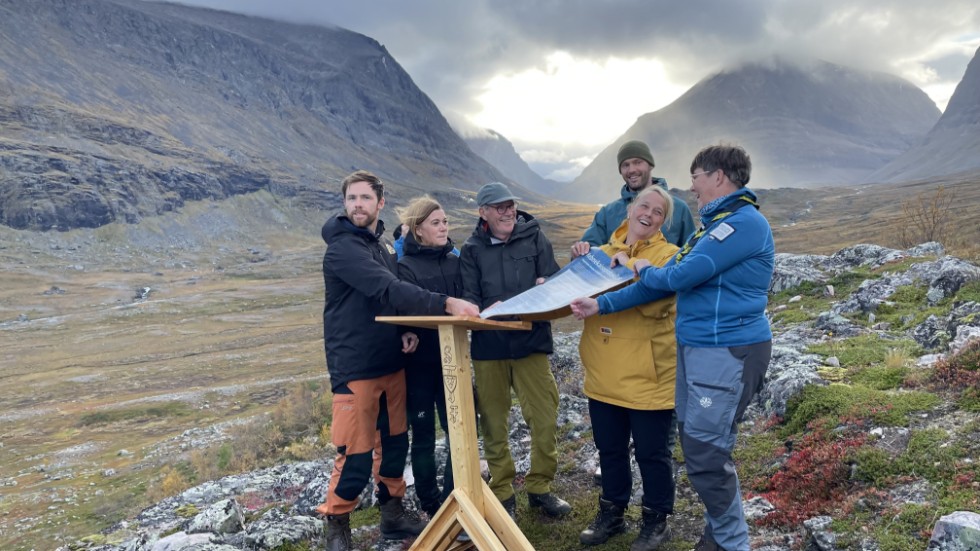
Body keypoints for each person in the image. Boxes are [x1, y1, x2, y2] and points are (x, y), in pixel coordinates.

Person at [571, 145, 775, 551]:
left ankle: (732, 543)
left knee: (704, 453)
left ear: (718, 176)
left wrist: (642, 267)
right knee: (707, 446)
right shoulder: (714, 224)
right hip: (702, 349)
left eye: (696, 176)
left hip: (726, 349)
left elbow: (677, 276)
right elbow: (662, 278)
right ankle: (718, 536)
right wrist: (603, 301)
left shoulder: (741, 224)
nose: (692, 186)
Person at [316, 170, 479, 551]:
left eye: (365, 198)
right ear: (345, 204)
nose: (358, 204)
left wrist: (403, 330)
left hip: (391, 362)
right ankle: (337, 522)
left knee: (393, 445)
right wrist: (444, 303)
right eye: (352, 198)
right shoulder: (343, 248)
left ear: (380, 203)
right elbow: (385, 287)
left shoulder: (382, 247)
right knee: (354, 452)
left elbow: (390, 301)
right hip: (355, 367)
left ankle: (392, 515)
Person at [570, 186, 679, 550]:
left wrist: (631, 267)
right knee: (610, 450)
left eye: (658, 212)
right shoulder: (599, 255)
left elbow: (655, 302)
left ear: (664, 222)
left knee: (652, 453)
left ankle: (656, 520)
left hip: (650, 376)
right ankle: (612, 513)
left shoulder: (670, 256)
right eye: (643, 205)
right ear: (630, 208)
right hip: (603, 373)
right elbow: (569, 296)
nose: (648, 213)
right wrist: (566, 272)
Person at [458, 181, 571, 519]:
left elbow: (553, 279)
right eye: (498, 207)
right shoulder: (472, 249)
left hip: (532, 343)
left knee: (545, 417)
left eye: (509, 205)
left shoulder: (535, 237)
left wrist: (547, 285)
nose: (507, 211)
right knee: (493, 421)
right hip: (489, 348)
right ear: (484, 213)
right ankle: (503, 491)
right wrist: (479, 306)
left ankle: (540, 488)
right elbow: (469, 296)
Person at [395, 196, 462, 517]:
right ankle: (430, 502)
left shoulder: (456, 262)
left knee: (458, 432)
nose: (443, 227)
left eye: (445, 221)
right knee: (422, 436)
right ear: (418, 230)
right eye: (436, 222)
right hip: (419, 368)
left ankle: (453, 496)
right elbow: (404, 308)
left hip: (455, 365)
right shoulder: (403, 267)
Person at [582, 139, 695, 248]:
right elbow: (587, 254)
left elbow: (691, 255)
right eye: (625, 165)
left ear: (650, 165)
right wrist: (581, 250)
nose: (631, 170)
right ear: (620, 171)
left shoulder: (679, 209)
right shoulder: (606, 213)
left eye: (638, 162)